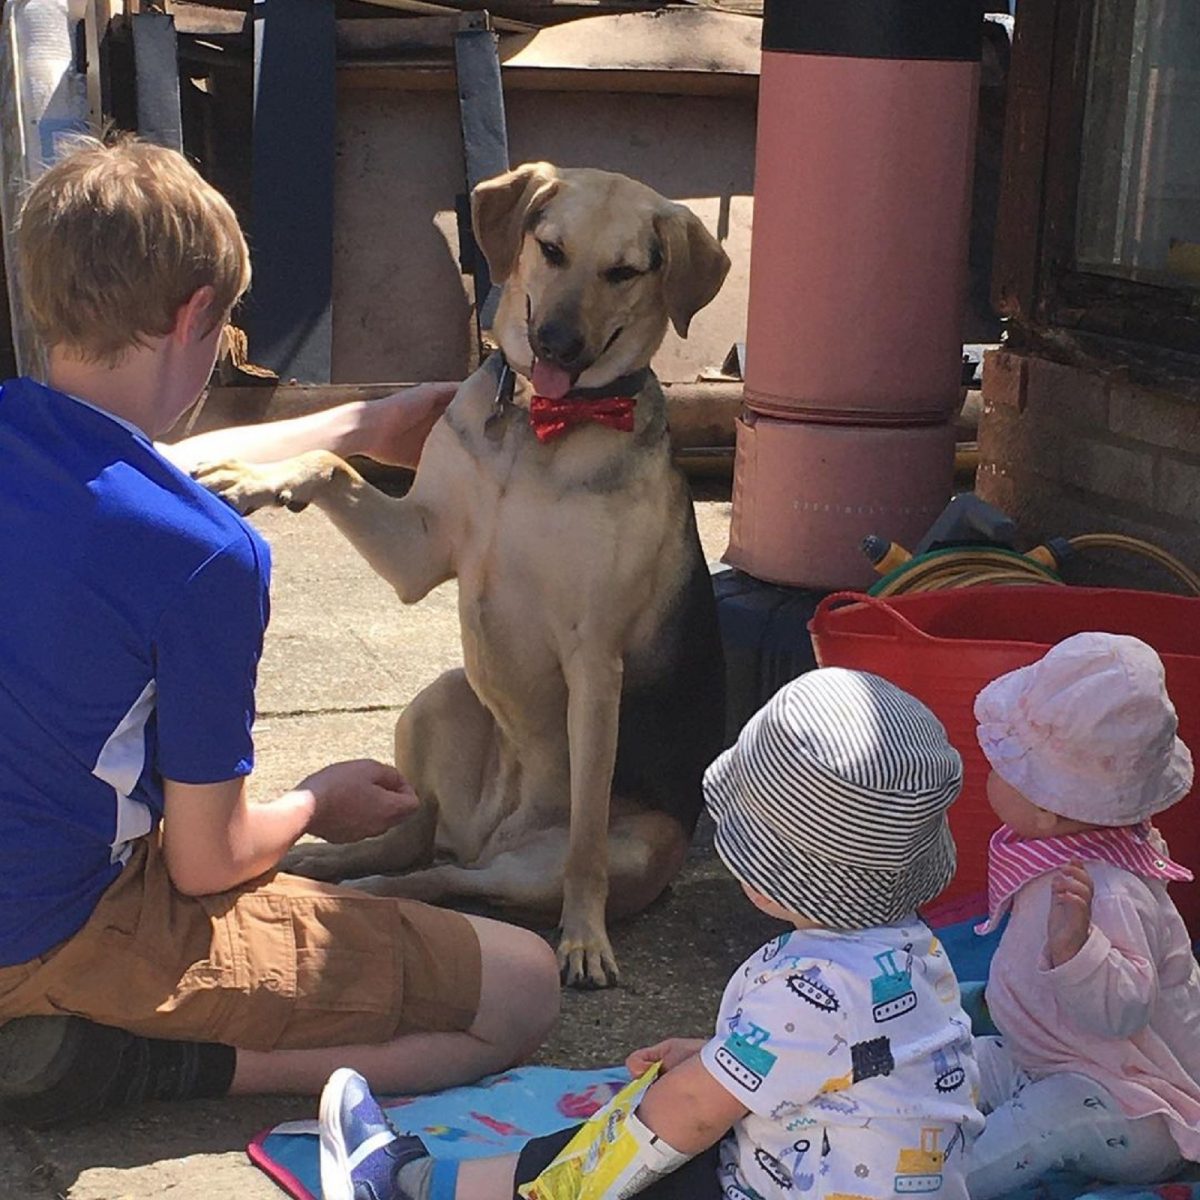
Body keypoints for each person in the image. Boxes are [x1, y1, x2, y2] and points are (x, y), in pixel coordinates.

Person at [0, 136, 559, 1129]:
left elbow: (135, 472)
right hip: (49, 929)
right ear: (197, 318)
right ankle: (118, 1064)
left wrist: (359, 426)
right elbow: (207, 862)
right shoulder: (209, 559)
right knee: (521, 987)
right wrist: (314, 804)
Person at [317, 668, 984, 1200]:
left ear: (770, 869)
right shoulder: (915, 953)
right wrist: (722, 1054)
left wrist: (595, 1158)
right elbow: (854, 1058)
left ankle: (409, 1185)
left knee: (620, 1152)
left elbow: (691, 1113)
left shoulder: (808, 985)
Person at [967, 632, 1200, 1198]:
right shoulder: (1069, 848)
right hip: (1043, 1058)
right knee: (947, 1061)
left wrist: (1079, 952)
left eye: (1002, 768)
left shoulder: (1107, 892)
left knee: (1047, 1120)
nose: (989, 774)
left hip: (1137, 1104)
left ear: (1048, 808)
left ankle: (925, 1182)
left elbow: (1123, 1011)